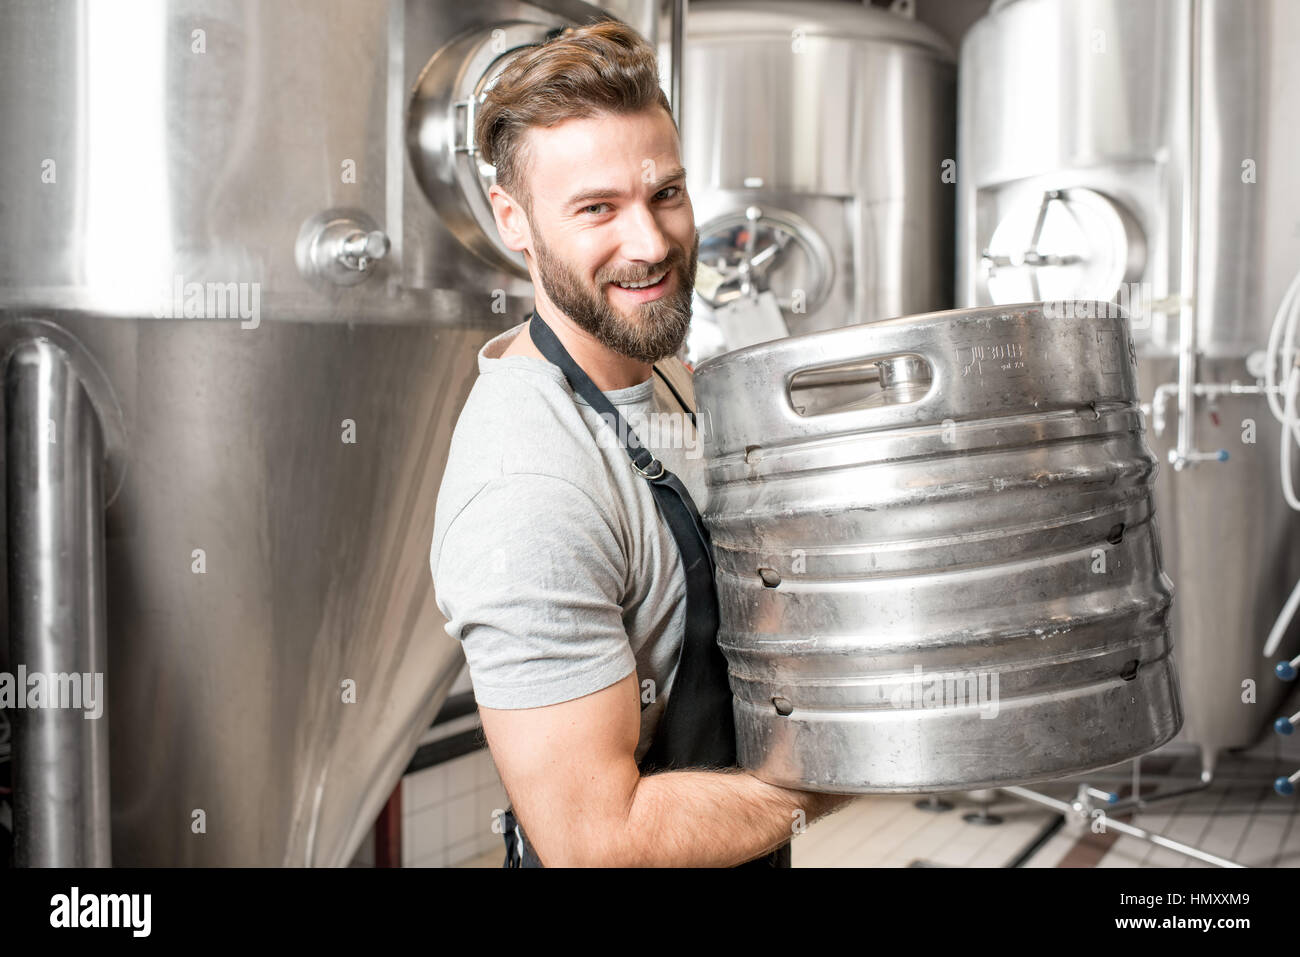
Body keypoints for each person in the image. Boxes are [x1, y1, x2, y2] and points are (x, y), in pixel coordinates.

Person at [429, 19, 851, 868]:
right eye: (597, 209)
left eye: (665, 193)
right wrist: (857, 758)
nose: (652, 244)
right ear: (514, 221)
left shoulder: (663, 373)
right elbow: (595, 838)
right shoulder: (528, 483)